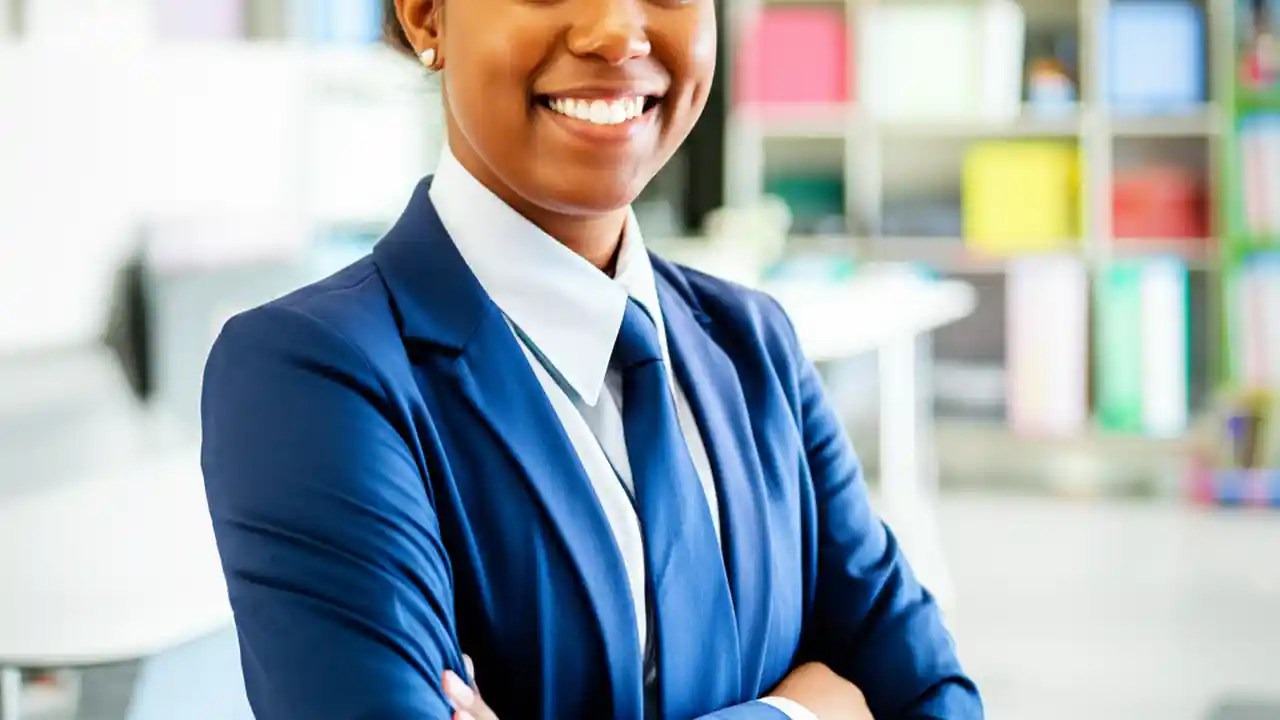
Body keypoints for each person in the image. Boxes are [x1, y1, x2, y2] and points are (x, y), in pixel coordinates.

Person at [199, 0, 982, 717]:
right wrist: (804, 714)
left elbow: (931, 694)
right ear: (427, 15)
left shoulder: (754, 347)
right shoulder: (312, 377)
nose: (614, 29)